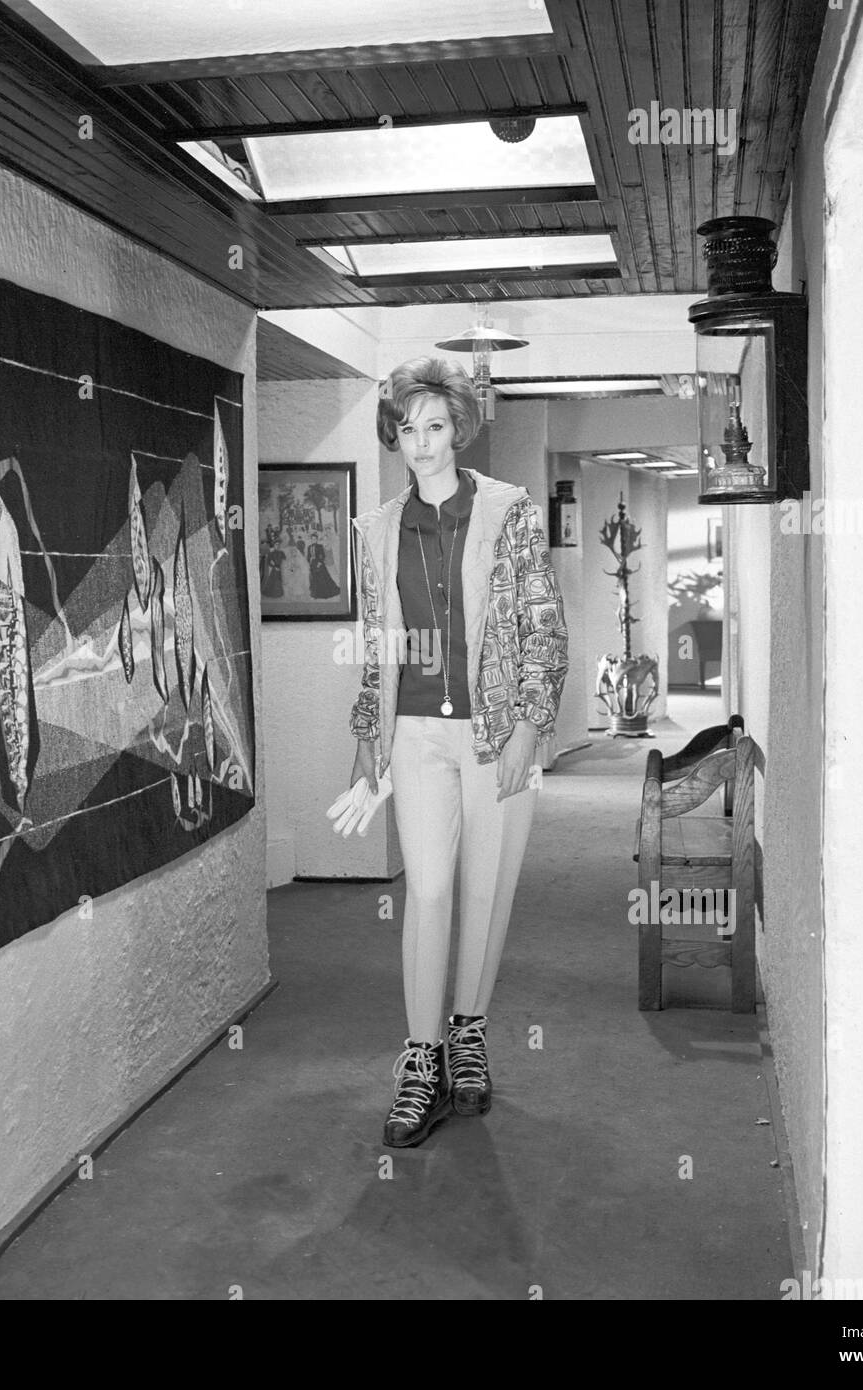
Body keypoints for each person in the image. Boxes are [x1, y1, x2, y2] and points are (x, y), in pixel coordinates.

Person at [348, 357, 569, 1148]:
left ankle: (468, 1031)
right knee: (431, 891)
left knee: (486, 889)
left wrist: (529, 727)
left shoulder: (506, 511)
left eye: (434, 426)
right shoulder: (375, 530)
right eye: (406, 429)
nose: (421, 443)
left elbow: (542, 625)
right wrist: (366, 736)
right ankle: (421, 1057)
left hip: (492, 726)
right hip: (414, 732)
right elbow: (377, 647)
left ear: (457, 429)